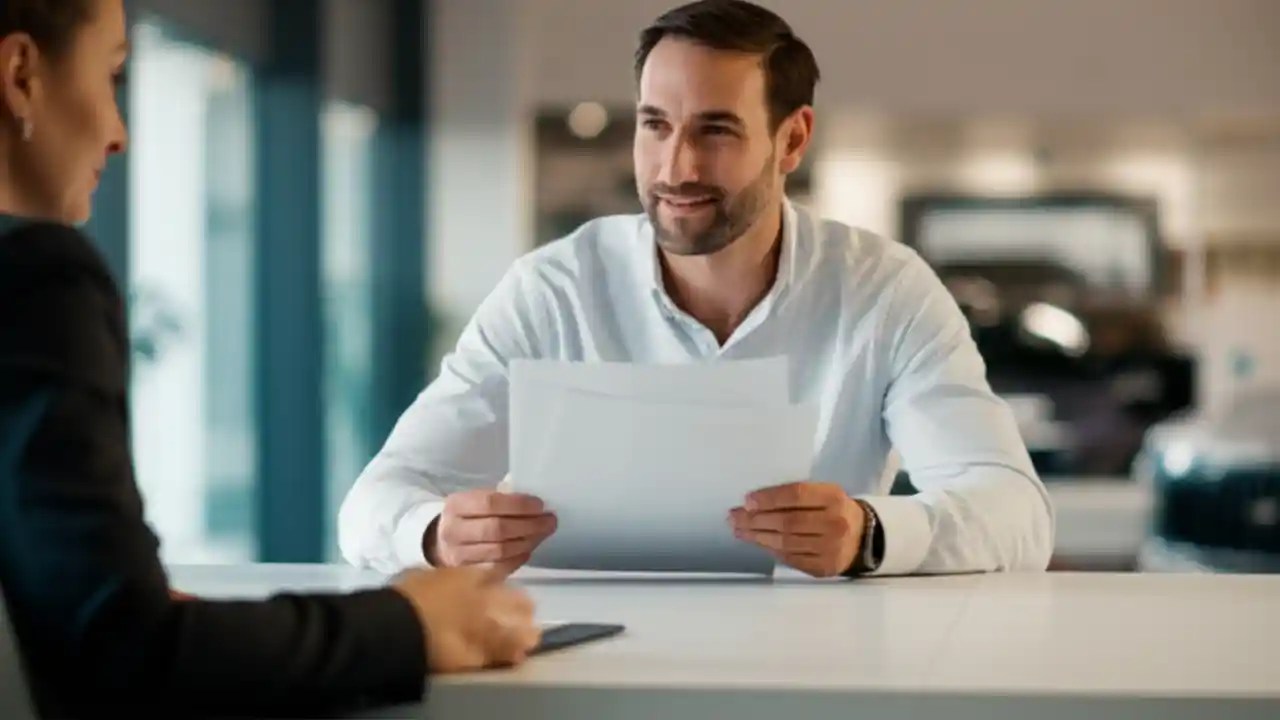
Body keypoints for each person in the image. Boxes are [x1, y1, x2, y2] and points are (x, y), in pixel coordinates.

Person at [339, 0, 1054, 580]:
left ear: (793, 141)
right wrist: (433, 533)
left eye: (715, 130)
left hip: (814, 667)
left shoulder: (884, 292)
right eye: (655, 126)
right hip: (567, 670)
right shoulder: (551, 290)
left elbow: (1017, 513)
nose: (675, 167)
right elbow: (373, 502)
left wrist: (870, 532)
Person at [0, 1, 540, 717]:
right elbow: (129, 655)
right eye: (113, 76)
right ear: (20, 75)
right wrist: (408, 623)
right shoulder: (37, 280)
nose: (119, 133)